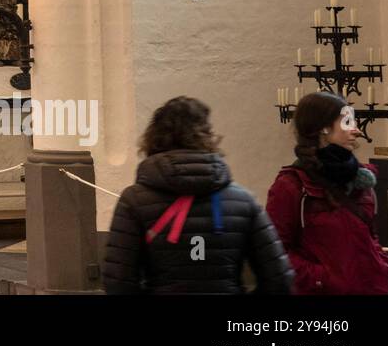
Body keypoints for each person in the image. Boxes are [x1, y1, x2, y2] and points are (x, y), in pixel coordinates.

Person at [102, 96, 293, 294]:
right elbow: (279, 278)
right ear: (207, 136)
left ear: (154, 138)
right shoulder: (244, 201)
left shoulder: (134, 200)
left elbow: (118, 281)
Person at [265, 92, 388, 295]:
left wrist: (382, 269)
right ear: (323, 128)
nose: (357, 130)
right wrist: (323, 279)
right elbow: (275, 252)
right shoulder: (291, 186)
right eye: (347, 122)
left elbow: (370, 237)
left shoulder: (360, 180)